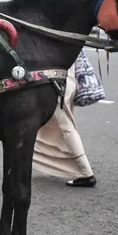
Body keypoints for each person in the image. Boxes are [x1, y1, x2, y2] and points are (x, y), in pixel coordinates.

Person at [32, 59, 97, 187]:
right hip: (65, 76)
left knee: (65, 125)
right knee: (59, 122)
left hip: (58, 78)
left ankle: (86, 173)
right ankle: (31, 158)